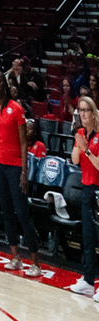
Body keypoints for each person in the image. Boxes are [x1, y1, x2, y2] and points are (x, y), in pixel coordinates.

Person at [0, 73, 39, 276]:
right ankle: (15, 256)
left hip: (15, 167)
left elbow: (24, 143)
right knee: (6, 211)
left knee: (22, 213)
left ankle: (35, 261)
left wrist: (24, 171)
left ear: (5, 85)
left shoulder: (16, 108)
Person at [70, 97, 99, 299]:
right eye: (80, 110)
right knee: (88, 238)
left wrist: (86, 149)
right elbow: (74, 160)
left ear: (94, 113)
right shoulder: (80, 133)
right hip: (87, 188)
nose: (82, 114)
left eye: (86, 110)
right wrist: (79, 146)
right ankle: (88, 281)